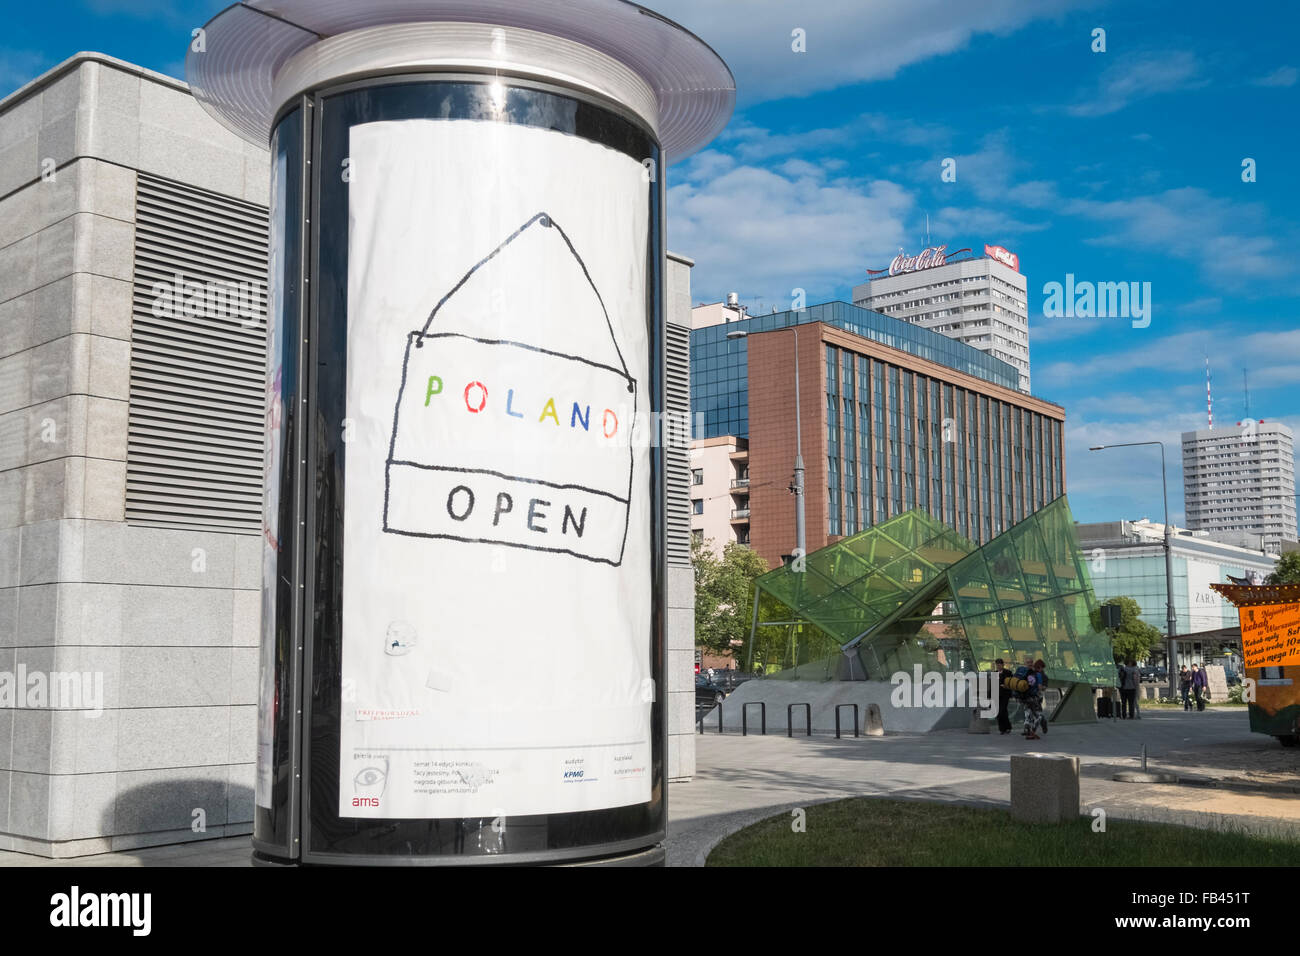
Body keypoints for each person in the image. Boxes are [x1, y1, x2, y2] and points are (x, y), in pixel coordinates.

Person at [994, 658, 1013, 735]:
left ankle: (1005, 728)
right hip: (997, 695)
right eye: (997, 665)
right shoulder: (994, 673)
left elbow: (1011, 682)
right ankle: (1004, 728)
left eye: (999, 665)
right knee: (1002, 712)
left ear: (1003, 665)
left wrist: (1006, 686)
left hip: (1005, 694)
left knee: (1002, 711)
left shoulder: (1008, 673)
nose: (998, 666)